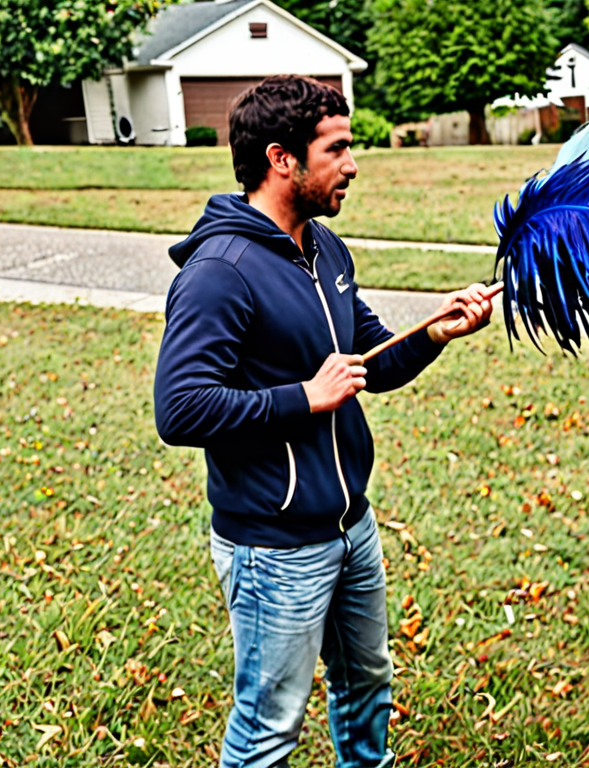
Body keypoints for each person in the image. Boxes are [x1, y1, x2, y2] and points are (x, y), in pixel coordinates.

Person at [153, 75, 493, 768]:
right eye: (337, 148)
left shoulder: (326, 250)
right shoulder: (221, 271)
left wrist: (436, 332)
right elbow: (180, 407)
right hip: (274, 548)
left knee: (366, 683)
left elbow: (375, 364)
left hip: (350, 526)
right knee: (269, 727)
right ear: (283, 159)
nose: (354, 162)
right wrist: (302, 397)